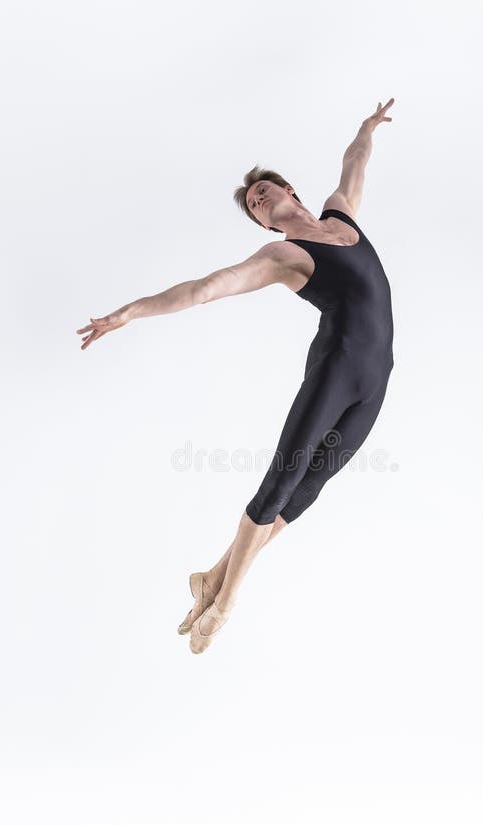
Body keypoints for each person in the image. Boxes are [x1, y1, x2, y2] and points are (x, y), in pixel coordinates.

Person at [76, 99, 395, 654]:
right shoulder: (282, 255)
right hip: (337, 368)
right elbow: (203, 288)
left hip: (376, 381)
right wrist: (128, 312)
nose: (261, 199)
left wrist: (366, 127)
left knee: (308, 490)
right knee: (282, 479)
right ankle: (225, 601)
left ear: (289, 191)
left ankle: (210, 577)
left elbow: (355, 163)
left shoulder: (341, 213)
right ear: (265, 223)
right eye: (254, 205)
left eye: (265, 191)